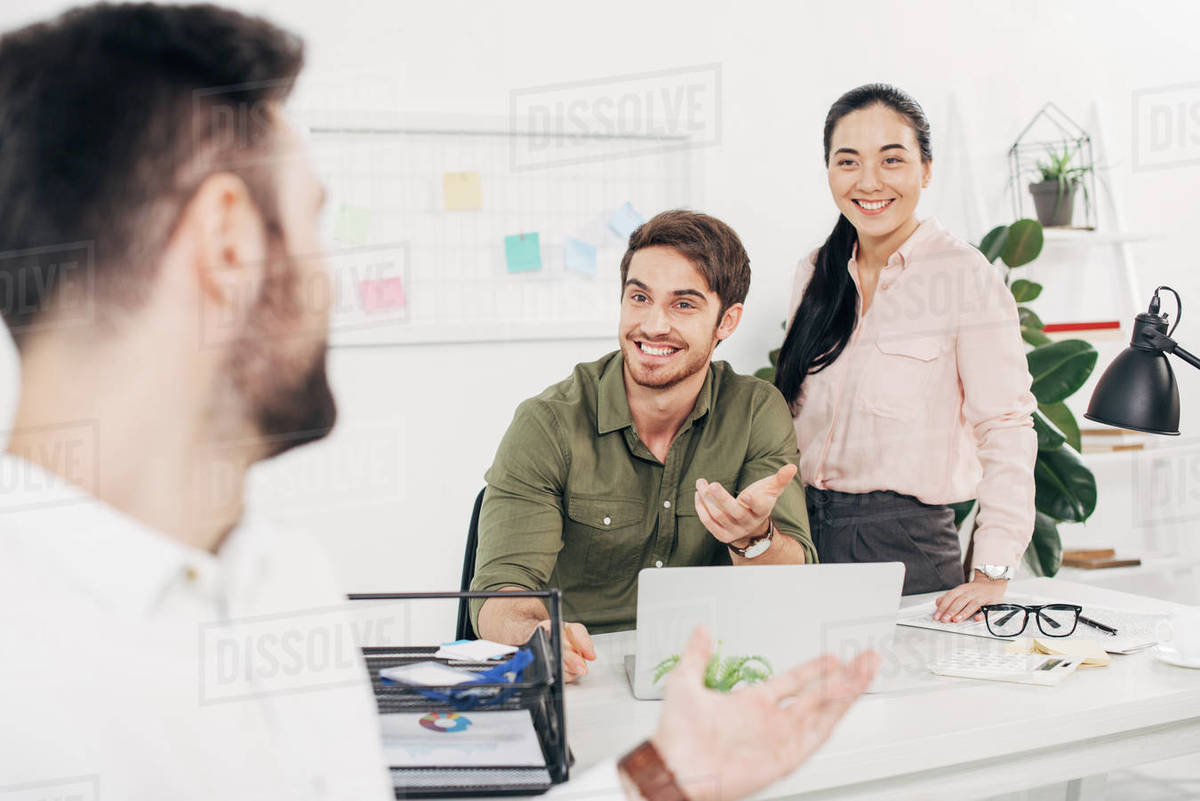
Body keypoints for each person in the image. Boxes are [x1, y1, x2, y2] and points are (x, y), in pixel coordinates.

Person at [0, 6, 877, 801]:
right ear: (227, 244)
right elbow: (503, 599)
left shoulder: (280, 580)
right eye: (310, 223)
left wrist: (663, 777)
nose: (331, 281)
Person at [470, 209, 817, 680]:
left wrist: (753, 538)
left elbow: (793, 582)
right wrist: (536, 632)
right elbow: (498, 595)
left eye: (684, 305)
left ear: (727, 321)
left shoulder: (755, 410)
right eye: (639, 297)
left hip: (708, 674)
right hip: (584, 674)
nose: (652, 325)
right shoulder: (547, 423)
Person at [774, 83, 1036, 624]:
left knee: (903, 706)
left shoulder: (963, 276)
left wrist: (992, 571)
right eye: (848, 162)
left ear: (926, 169)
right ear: (828, 171)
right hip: (797, 538)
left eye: (891, 160)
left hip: (903, 546)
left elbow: (1006, 425)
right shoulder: (814, 272)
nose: (868, 182)